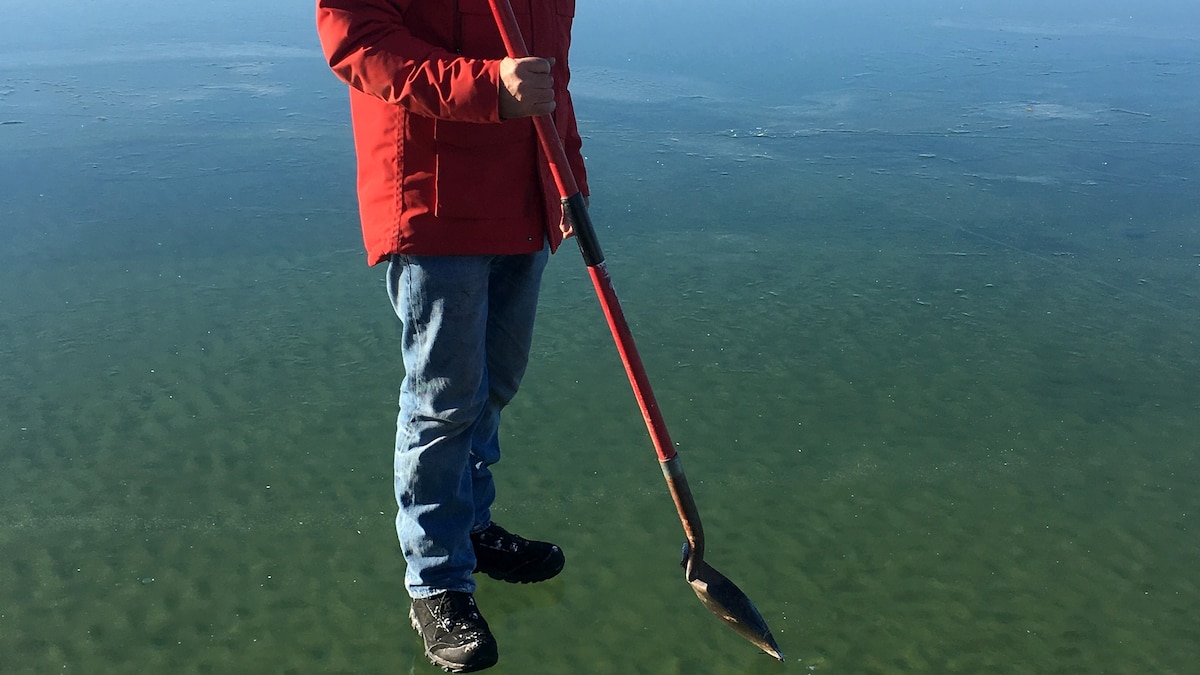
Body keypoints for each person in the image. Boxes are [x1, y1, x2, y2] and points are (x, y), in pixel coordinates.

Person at [316, 0, 588, 671]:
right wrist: (489, 86)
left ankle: (468, 522)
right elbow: (357, 42)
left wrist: (569, 173)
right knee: (444, 398)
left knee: (496, 379)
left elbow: (549, 68)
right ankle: (437, 579)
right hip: (434, 189)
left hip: (524, 185)